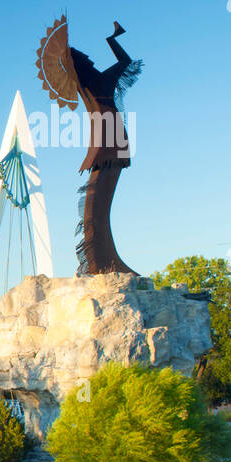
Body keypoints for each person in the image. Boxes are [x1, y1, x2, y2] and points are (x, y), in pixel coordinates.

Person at [72, 22, 142, 275]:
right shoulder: (91, 84)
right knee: (95, 204)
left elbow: (125, 62)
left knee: (98, 203)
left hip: (110, 144)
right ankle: (101, 260)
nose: (89, 60)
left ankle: (104, 261)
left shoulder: (97, 83)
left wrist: (112, 40)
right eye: (83, 58)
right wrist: (112, 40)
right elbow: (126, 61)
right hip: (109, 143)